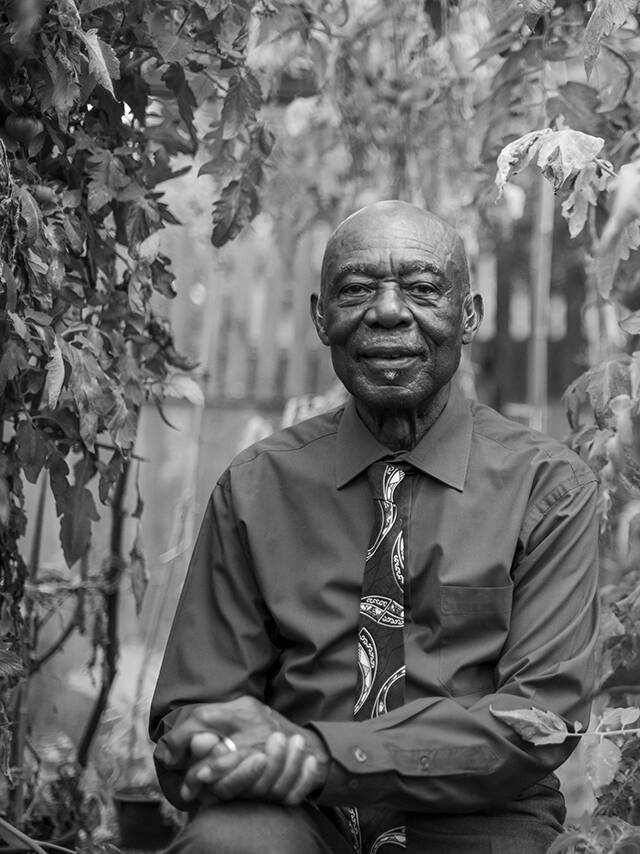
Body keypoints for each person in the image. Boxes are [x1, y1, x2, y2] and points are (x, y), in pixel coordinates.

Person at [149, 201, 600, 854]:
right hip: (299, 811)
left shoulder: (547, 488)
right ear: (320, 317)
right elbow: (193, 706)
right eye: (357, 289)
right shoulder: (257, 487)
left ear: (469, 316)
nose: (388, 311)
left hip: (479, 817)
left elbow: (540, 717)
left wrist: (326, 754)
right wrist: (211, 742)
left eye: (422, 288)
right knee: (230, 843)